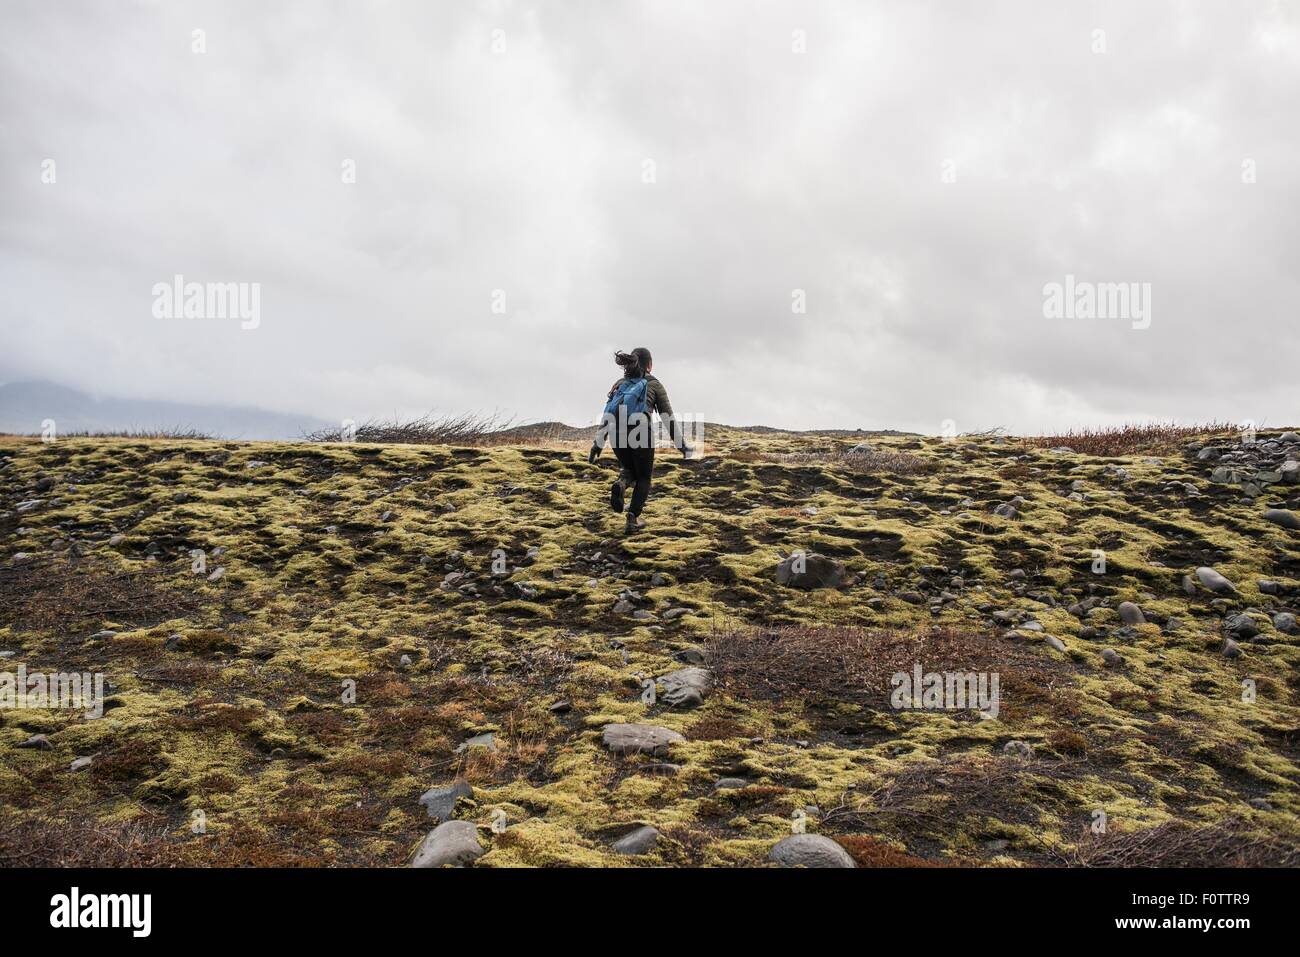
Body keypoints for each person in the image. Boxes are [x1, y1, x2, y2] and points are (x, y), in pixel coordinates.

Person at [589, 347, 691, 533]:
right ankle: (632, 518)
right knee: (644, 477)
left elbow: (607, 415)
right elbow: (668, 417)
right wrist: (681, 445)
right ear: (650, 365)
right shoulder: (654, 384)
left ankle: (621, 484)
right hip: (640, 432)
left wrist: (598, 443)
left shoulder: (620, 383)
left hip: (615, 434)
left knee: (629, 470)